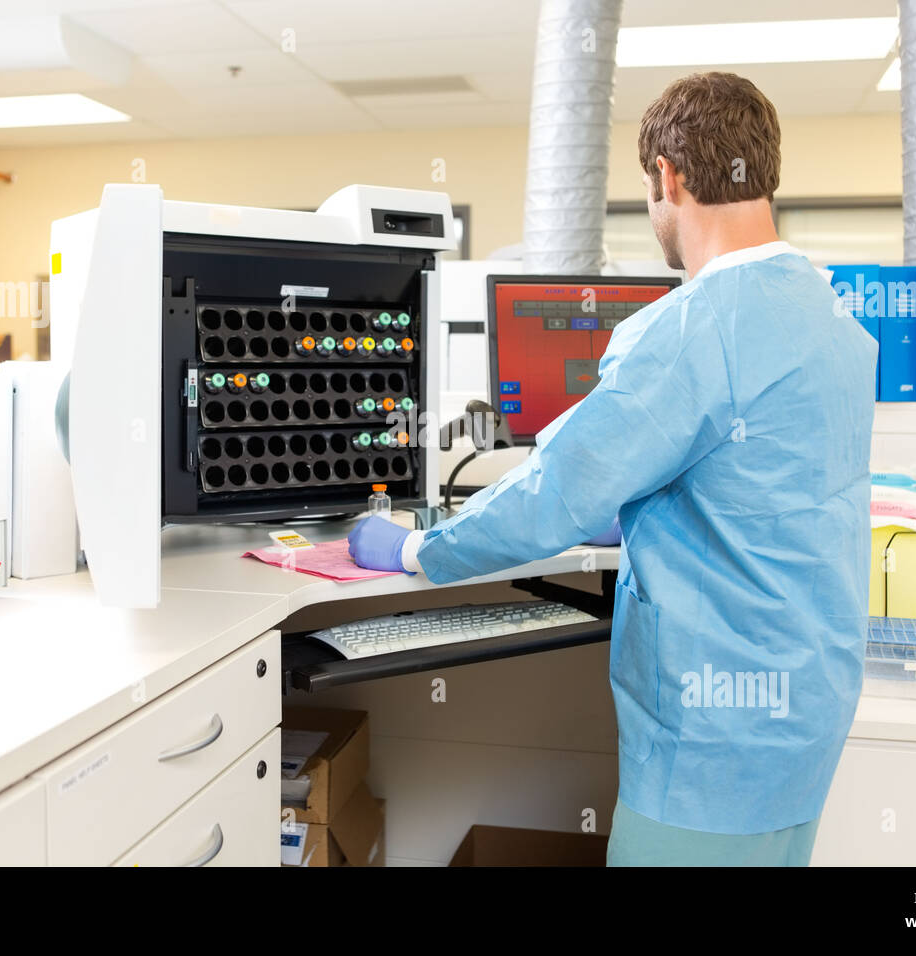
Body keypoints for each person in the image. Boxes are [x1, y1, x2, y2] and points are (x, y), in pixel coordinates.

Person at [348, 72, 877, 866]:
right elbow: (758, 481)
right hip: (805, 708)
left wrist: (417, 549)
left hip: (714, 734)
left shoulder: (695, 325)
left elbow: (555, 490)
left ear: (668, 176)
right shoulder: (829, 313)